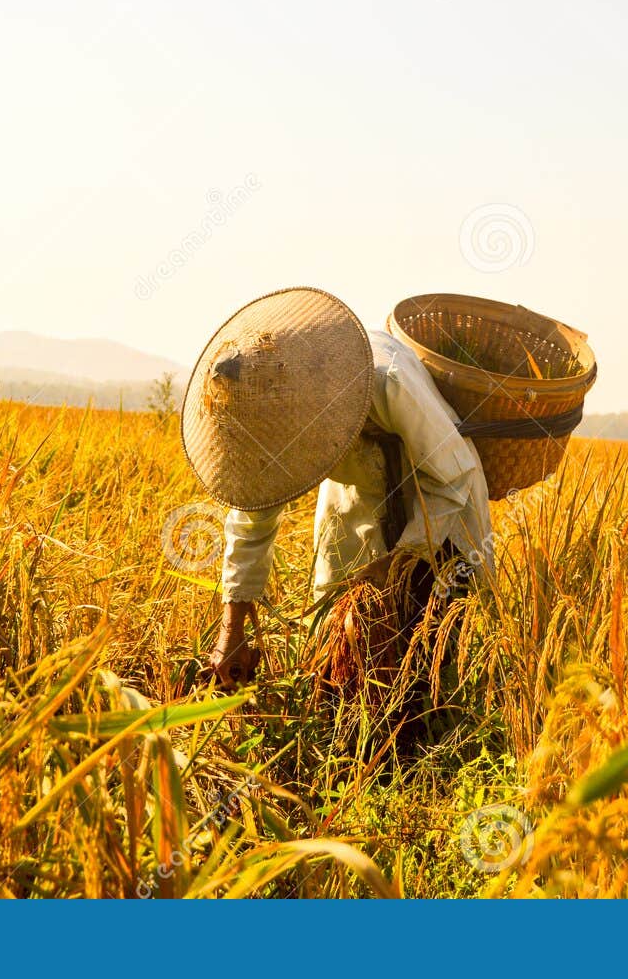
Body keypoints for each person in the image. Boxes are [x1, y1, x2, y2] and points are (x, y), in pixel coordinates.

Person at [181, 287, 492, 686]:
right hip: (352, 491)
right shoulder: (262, 419)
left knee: (436, 625)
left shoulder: (385, 382)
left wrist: (403, 558)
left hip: (435, 486)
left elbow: (452, 477)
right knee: (335, 633)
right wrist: (231, 629)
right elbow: (249, 521)